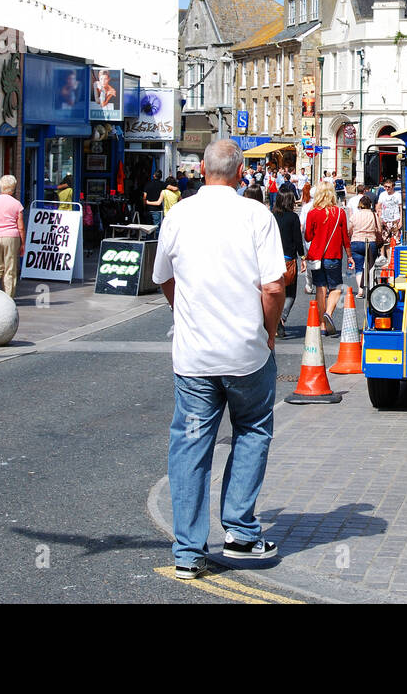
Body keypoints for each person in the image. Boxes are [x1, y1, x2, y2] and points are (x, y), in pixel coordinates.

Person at [152, 138, 285, 580]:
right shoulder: (256, 215)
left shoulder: (179, 214)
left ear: (202, 171)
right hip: (246, 354)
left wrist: (184, 312)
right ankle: (241, 531)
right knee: (251, 431)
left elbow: (164, 278)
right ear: (241, 172)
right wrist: (268, 334)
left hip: (194, 357)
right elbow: (273, 287)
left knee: (190, 446)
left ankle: (188, 552)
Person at [305, 181, 352, 336]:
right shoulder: (339, 213)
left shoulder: (312, 213)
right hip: (333, 255)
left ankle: (322, 325)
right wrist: (350, 256)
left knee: (320, 288)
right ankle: (329, 313)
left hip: (316, 256)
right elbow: (345, 237)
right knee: (336, 288)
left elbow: (308, 236)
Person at [274, 190, 304, 335]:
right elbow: (298, 239)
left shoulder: (272, 216)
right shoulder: (293, 217)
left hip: (273, 258)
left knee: (274, 290)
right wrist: (302, 256)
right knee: (290, 293)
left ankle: (272, 319)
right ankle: (282, 317)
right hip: (289, 259)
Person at [348, 193, 382, 297]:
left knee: (358, 267)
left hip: (356, 242)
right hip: (371, 242)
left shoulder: (355, 215)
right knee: (370, 267)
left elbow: (350, 230)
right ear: (370, 205)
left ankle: (360, 290)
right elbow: (379, 231)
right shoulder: (374, 215)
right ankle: (371, 288)